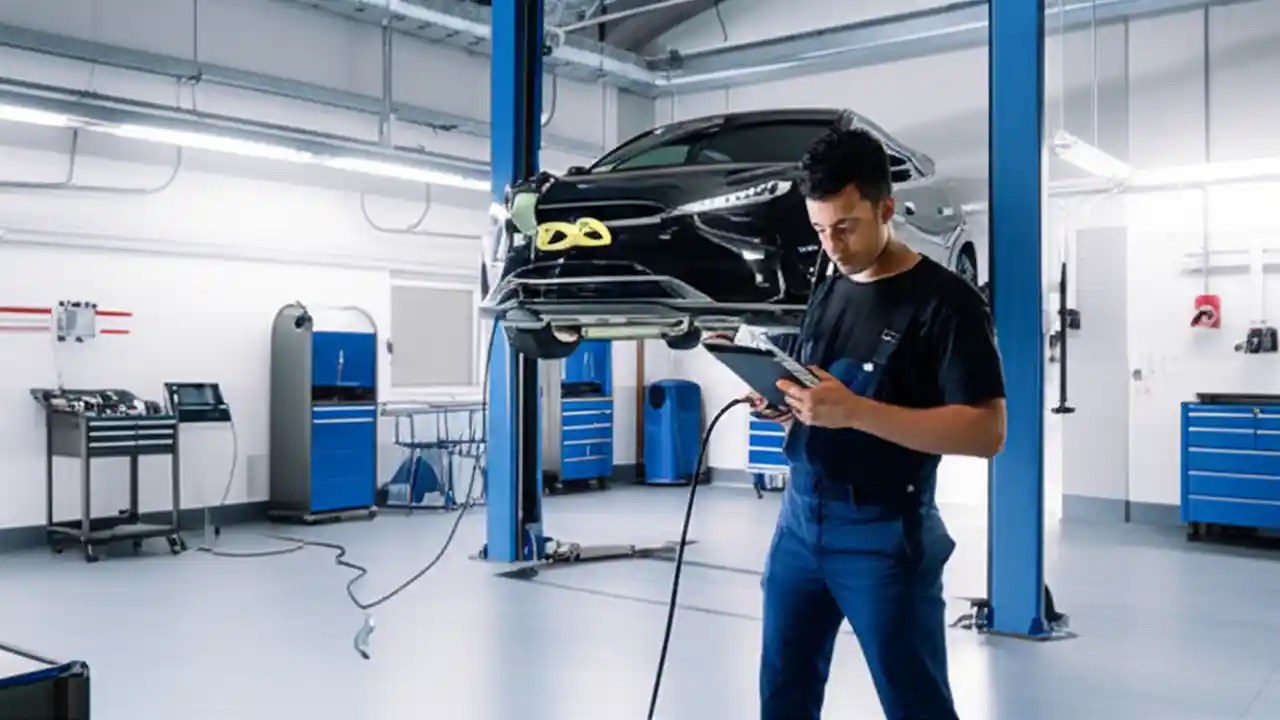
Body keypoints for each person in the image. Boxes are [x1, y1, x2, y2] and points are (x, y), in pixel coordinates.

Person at [751, 127, 1007, 720]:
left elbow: (987, 432)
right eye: (819, 230)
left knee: (915, 704)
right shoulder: (829, 289)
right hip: (798, 524)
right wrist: (784, 401)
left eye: (845, 226)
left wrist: (855, 412)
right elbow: (819, 389)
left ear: (886, 209)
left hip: (884, 535)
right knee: (784, 695)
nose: (832, 245)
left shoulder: (948, 304)